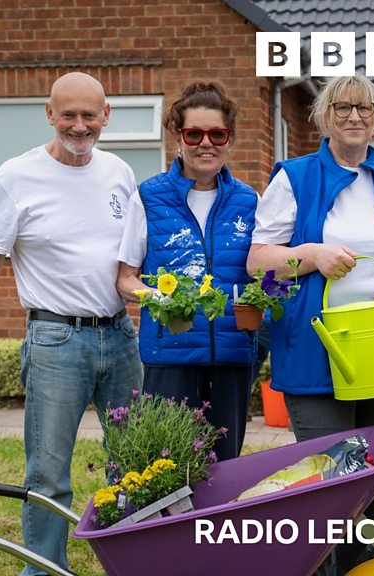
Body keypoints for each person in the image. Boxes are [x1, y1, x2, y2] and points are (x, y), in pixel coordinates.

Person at [0, 72, 143, 576]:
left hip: (120, 338)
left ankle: (135, 562)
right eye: (69, 116)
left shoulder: (120, 171)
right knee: (48, 473)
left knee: (137, 465)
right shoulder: (16, 176)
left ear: (106, 115)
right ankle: (43, 570)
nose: (80, 127)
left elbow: (128, 267)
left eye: (89, 116)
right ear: (49, 114)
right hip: (55, 342)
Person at [247, 74, 374, 575]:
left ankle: (358, 568)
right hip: (317, 351)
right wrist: (311, 255)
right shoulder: (295, 177)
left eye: (365, 108)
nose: (354, 117)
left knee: (369, 479)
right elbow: (258, 260)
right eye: (343, 108)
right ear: (324, 116)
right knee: (328, 483)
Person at [116, 81, 257, 461]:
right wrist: (158, 299)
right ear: (178, 138)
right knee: (170, 465)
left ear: (230, 139)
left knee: (227, 465)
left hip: (232, 355)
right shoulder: (148, 197)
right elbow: (126, 279)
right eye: (194, 133)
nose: (205, 143)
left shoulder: (249, 201)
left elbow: (262, 274)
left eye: (217, 133)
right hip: (170, 354)